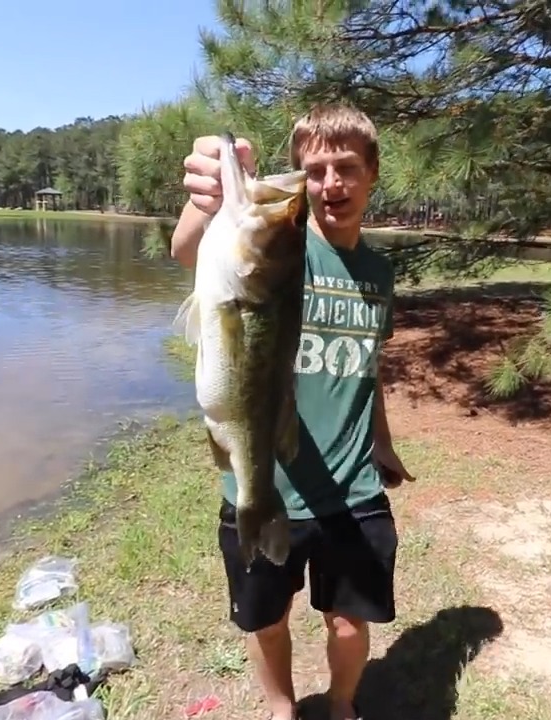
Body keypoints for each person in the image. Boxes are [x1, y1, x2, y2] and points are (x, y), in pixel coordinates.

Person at [168, 102, 416, 720]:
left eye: (347, 168)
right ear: (300, 178)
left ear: (372, 174)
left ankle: (340, 705)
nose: (331, 183)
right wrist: (209, 195)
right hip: (266, 481)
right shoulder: (282, 243)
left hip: (354, 486)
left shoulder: (379, 271)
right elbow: (188, 251)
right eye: (315, 170)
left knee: (350, 619)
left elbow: (367, 368)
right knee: (268, 618)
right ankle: (281, 708)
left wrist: (381, 444)